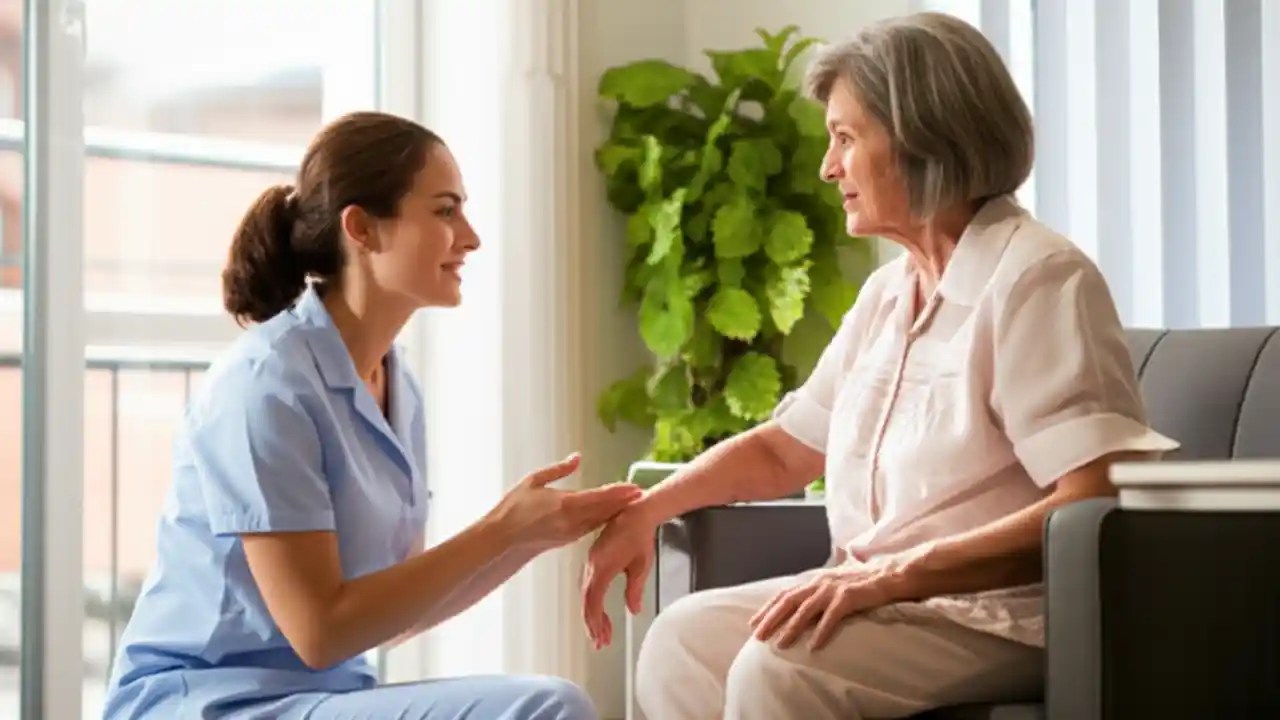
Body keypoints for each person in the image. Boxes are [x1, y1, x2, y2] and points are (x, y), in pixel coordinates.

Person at [580, 12, 1180, 720]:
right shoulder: (889, 293)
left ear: (924, 137)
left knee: (781, 668)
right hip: (890, 598)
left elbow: (1094, 494)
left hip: (999, 614)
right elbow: (785, 448)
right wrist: (647, 510)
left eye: (845, 138)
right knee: (682, 641)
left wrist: (897, 577)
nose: (828, 167)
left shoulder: (1037, 278)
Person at [104, 111, 638, 720]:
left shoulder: (395, 384)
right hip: (207, 704)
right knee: (547, 707)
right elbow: (320, 630)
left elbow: (391, 614)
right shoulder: (266, 387)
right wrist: (500, 529)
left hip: (322, 698)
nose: (470, 236)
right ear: (361, 228)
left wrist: (528, 538)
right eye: (444, 210)